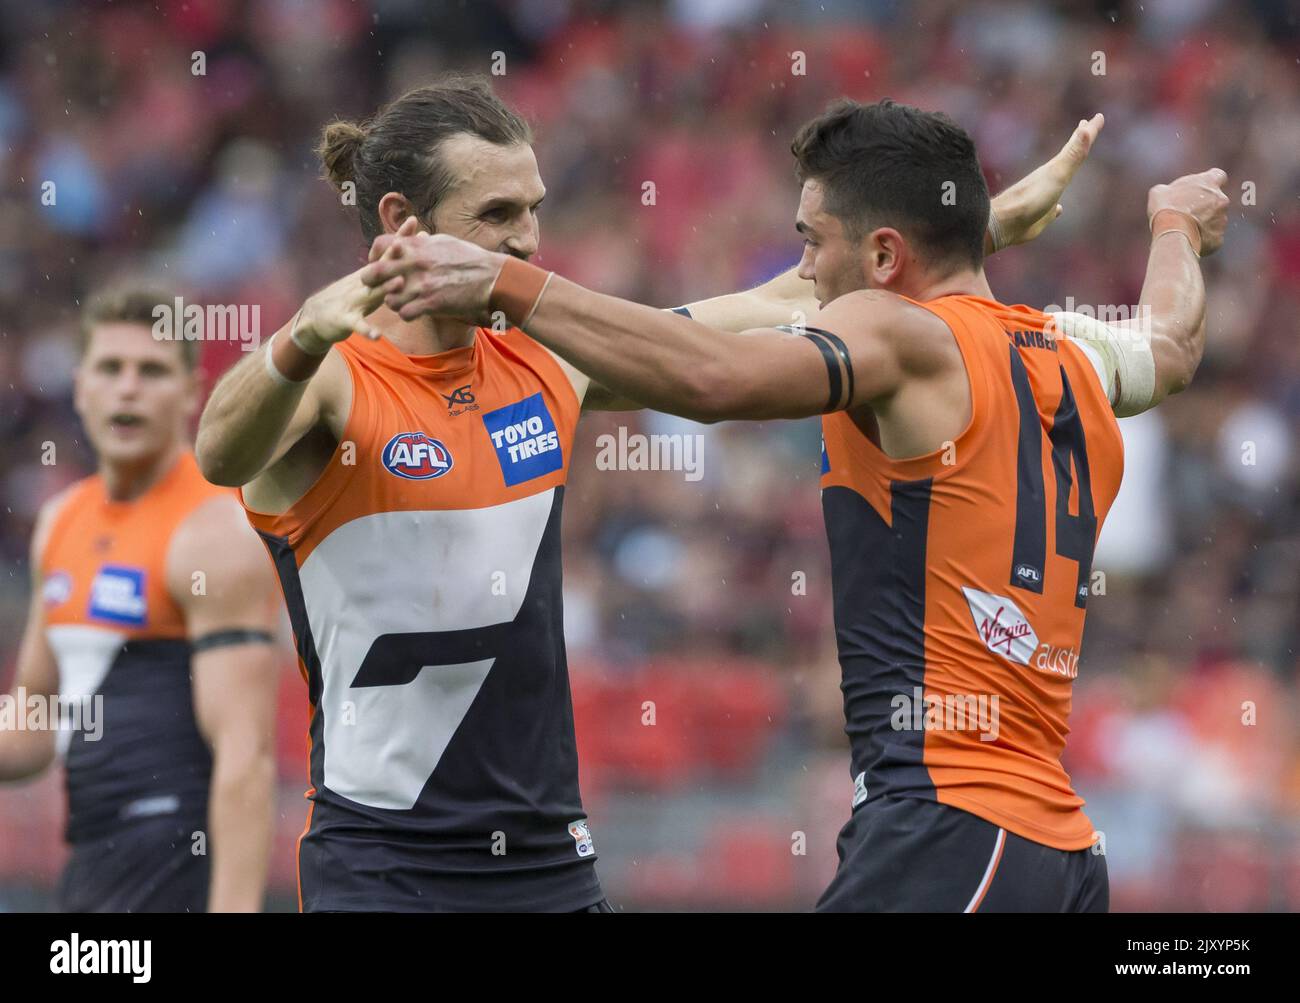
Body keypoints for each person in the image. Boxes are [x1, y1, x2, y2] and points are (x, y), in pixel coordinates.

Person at [194, 76, 1085, 912]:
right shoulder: (331, 382)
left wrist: (971, 231)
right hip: (383, 861)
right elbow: (220, 449)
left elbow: (780, 301)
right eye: (497, 214)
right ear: (401, 219)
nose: (528, 242)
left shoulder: (548, 360)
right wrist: (297, 338)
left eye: (535, 210)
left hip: (549, 862)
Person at [359, 97, 1229, 912]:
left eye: (812, 241)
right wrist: (1176, 224)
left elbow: (712, 374)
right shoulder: (1066, 351)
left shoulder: (891, 333)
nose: (802, 270)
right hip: (1058, 851)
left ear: (884, 256)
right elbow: (1171, 343)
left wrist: (505, 286)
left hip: (947, 825)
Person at [0, 287, 282, 912]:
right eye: (110, 368)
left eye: (151, 371)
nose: (128, 388)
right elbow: (34, 721)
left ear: (189, 393)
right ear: (79, 387)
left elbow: (247, 756)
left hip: (176, 859)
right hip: (90, 861)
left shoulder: (215, 531)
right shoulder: (60, 522)